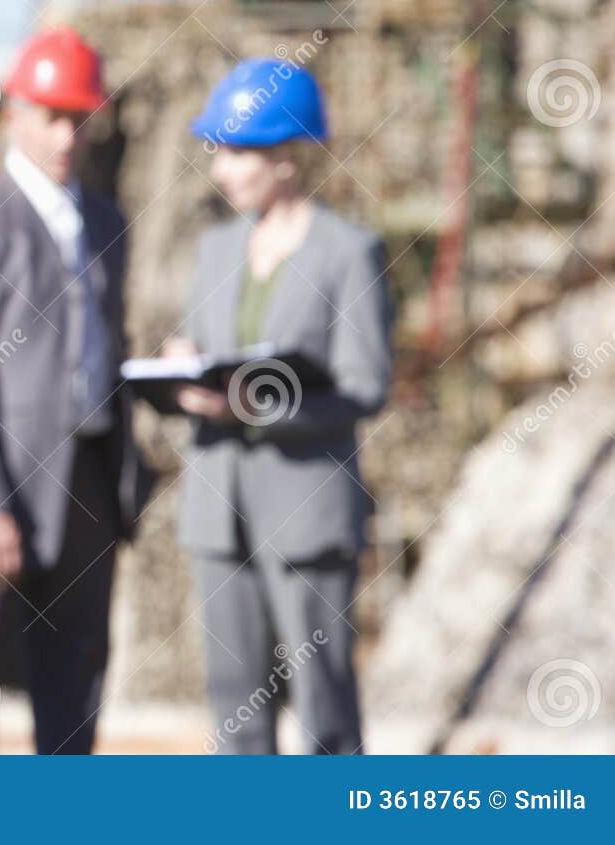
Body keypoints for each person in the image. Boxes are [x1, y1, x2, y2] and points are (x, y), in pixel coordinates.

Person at [0, 27, 153, 754]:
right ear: (14, 113)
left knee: (74, 696)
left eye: (79, 117)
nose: (65, 134)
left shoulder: (107, 222)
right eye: (50, 114)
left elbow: (102, 352)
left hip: (86, 484)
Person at [167, 57, 393, 754]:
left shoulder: (348, 253)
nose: (222, 170)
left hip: (307, 514)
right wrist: (181, 370)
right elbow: (207, 349)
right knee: (235, 713)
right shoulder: (215, 249)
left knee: (324, 709)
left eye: (237, 152)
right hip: (219, 510)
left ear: (287, 157)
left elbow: (365, 385)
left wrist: (256, 408)